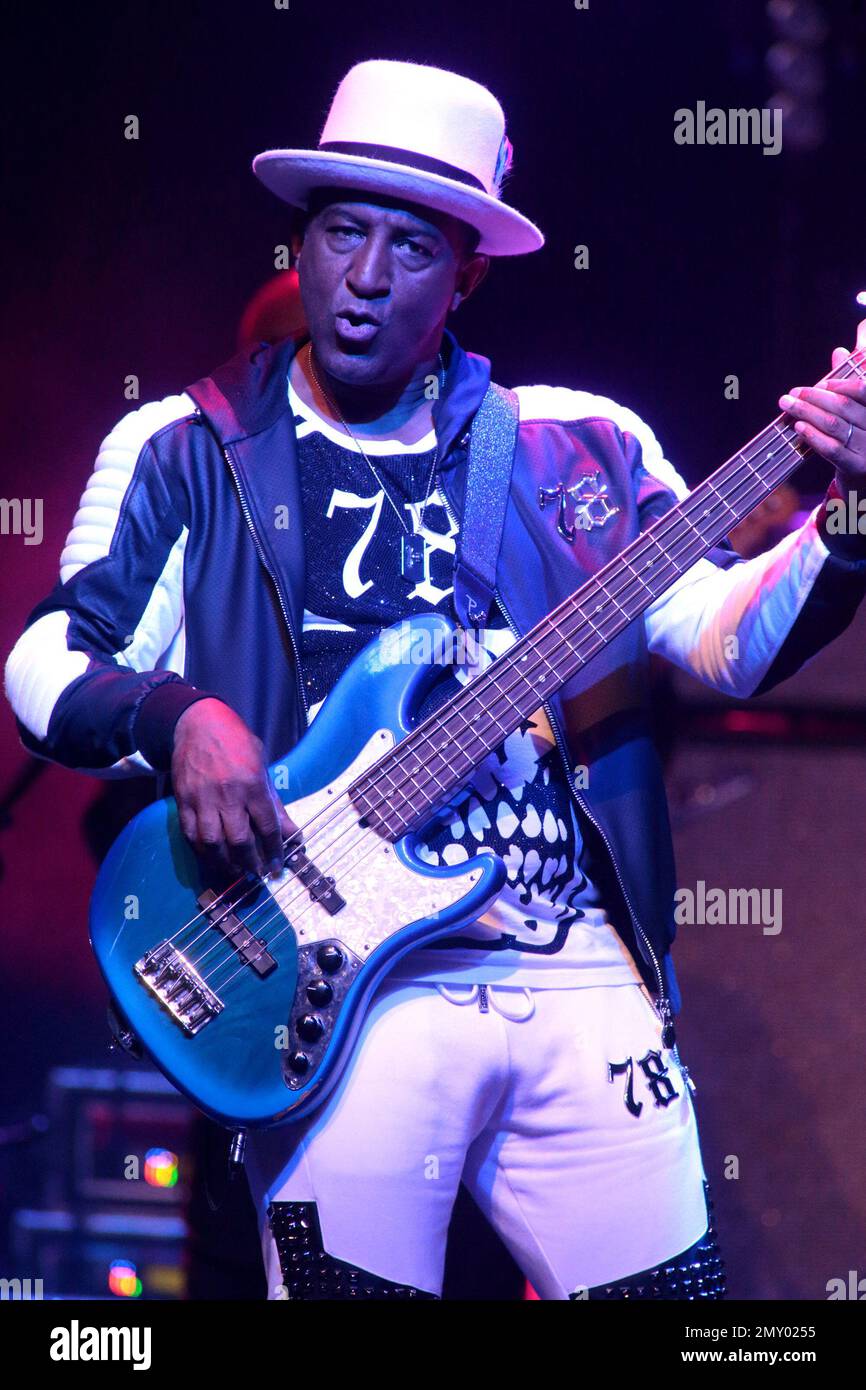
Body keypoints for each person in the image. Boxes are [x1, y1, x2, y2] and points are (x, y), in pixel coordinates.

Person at [6, 58, 866, 1302]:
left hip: (575, 976)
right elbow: (42, 658)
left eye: (408, 248)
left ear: (466, 271)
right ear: (297, 245)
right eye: (341, 233)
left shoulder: (582, 445)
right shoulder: (183, 448)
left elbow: (728, 635)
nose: (363, 277)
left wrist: (851, 511)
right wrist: (177, 712)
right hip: (340, 989)